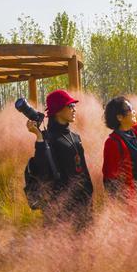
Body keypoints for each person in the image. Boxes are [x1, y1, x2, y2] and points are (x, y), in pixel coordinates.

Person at [27, 89, 94, 230]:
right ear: (57, 110)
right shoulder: (46, 138)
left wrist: (90, 196)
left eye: (74, 106)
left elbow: (83, 171)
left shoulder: (75, 137)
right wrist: (39, 138)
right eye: (70, 106)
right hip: (60, 209)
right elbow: (43, 171)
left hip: (83, 203)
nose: (74, 109)